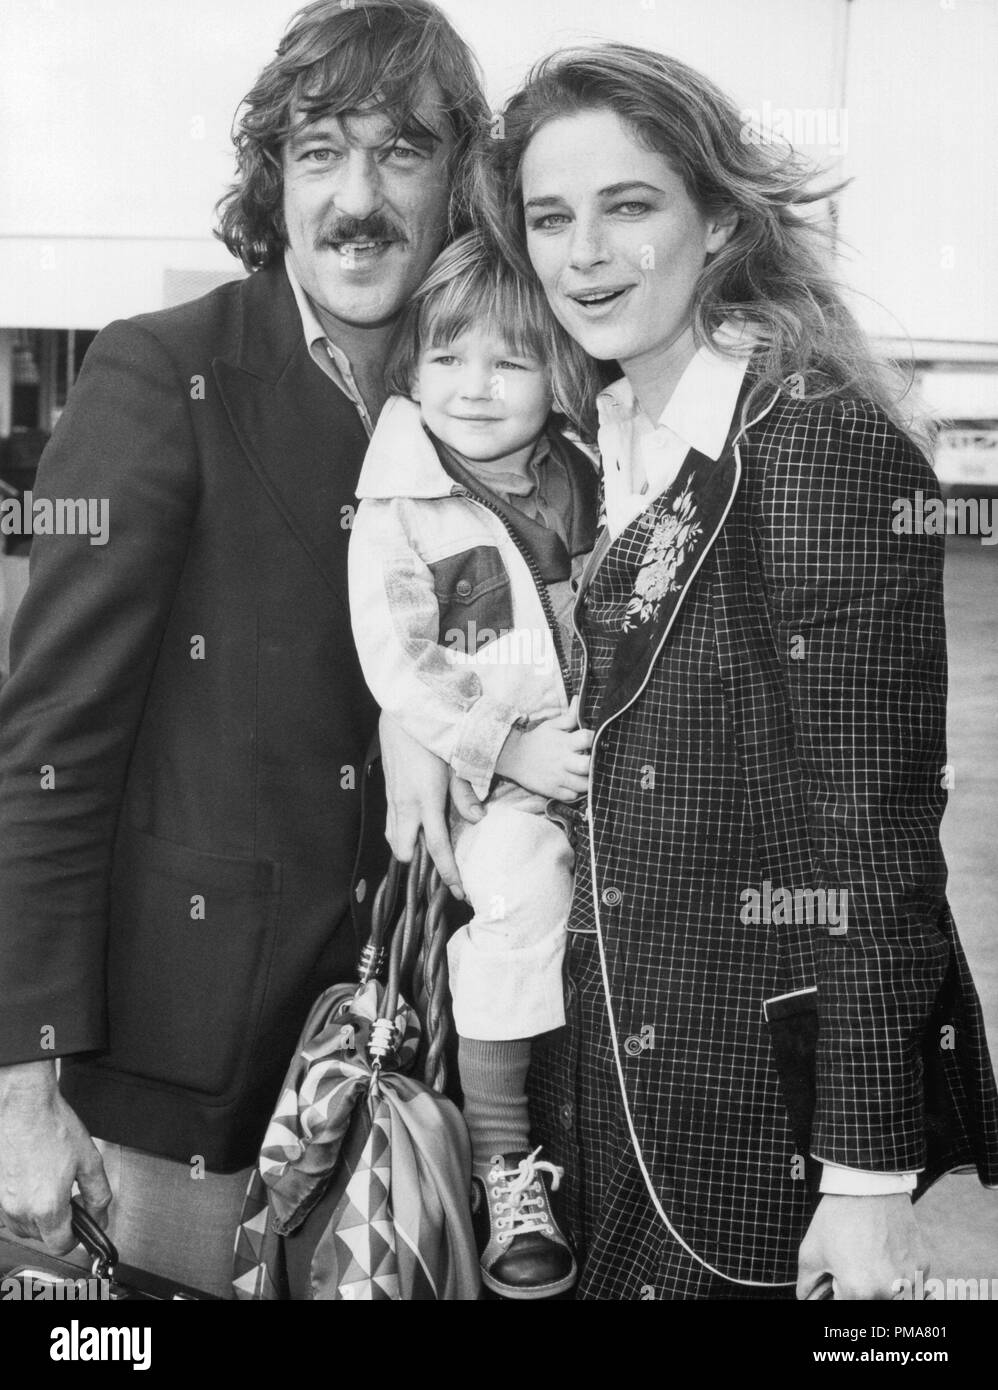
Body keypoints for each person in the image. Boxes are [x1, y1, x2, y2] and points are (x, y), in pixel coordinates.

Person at [381, 41, 998, 1300]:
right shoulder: (609, 435)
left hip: (751, 1132)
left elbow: (875, 840)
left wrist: (865, 1179)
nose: (583, 255)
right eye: (550, 219)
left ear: (718, 216)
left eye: (629, 207)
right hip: (603, 1092)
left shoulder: (814, 438)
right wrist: (431, 727)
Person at [0, 0, 488, 1299]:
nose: (357, 197)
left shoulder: (485, 411)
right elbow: (48, 756)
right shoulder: (162, 375)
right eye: (320, 153)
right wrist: (18, 1091)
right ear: (274, 181)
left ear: (459, 179)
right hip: (183, 1092)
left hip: (420, 1072)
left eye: (400, 151)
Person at [348, 230, 602, 1297]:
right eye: (448, 358)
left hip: (601, 757)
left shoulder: (585, 471)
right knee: (512, 890)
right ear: (409, 368)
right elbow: (400, 662)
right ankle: (505, 1162)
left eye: (510, 361)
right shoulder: (404, 502)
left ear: (558, 371)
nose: (477, 387)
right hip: (494, 775)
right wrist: (507, 749)